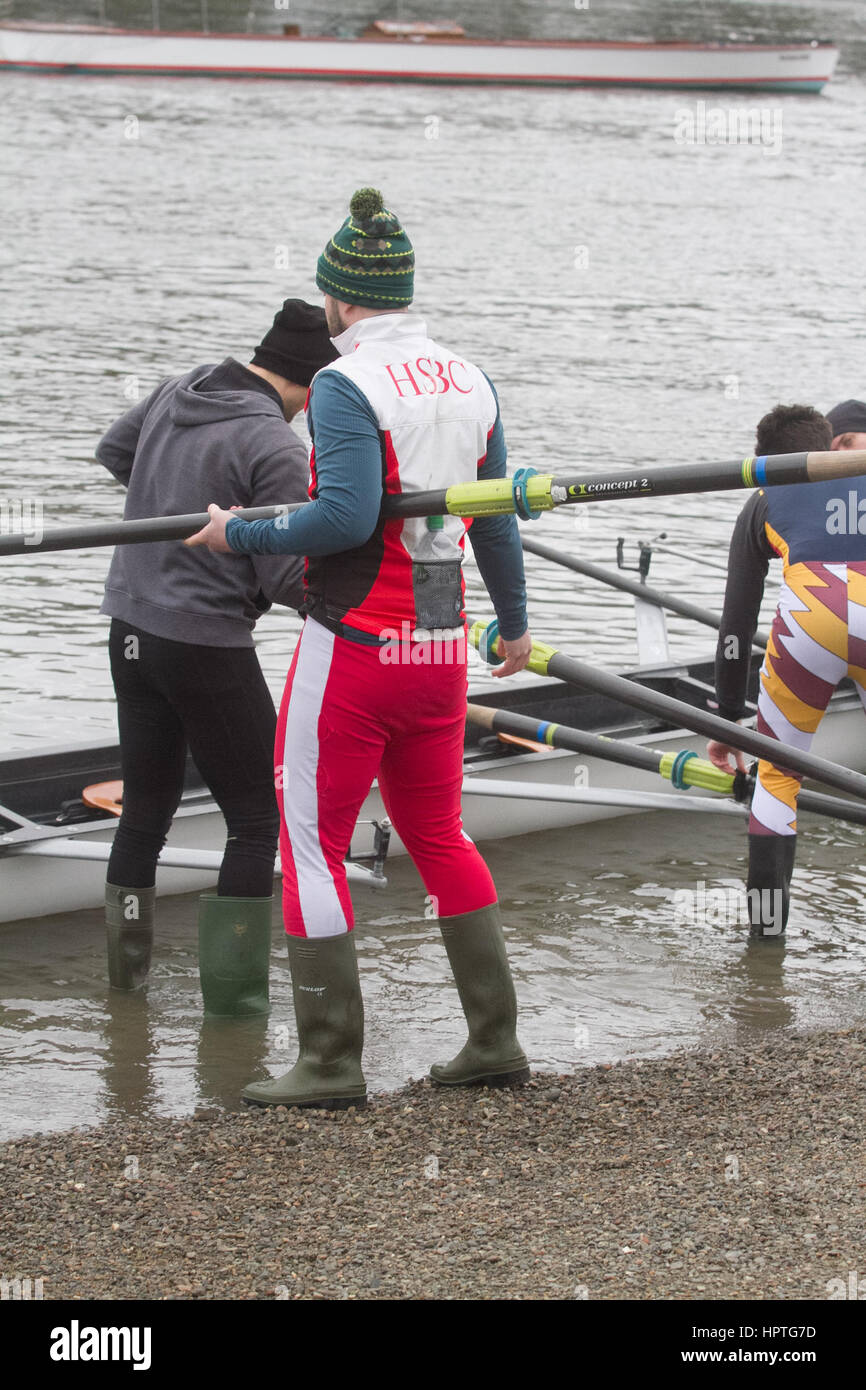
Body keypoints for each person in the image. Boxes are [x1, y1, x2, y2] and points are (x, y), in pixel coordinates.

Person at [187, 187, 533, 1109]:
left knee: (311, 845)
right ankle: (494, 1042)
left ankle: (331, 1062)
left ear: (339, 302)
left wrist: (238, 534)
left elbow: (342, 518)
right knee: (441, 835)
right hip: (439, 646)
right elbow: (493, 519)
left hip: (354, 648)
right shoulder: (471, 379)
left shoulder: (344, 383)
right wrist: (519, 621)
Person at [96, 300, 338, 1009]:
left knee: (145, 812)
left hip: (130, 630)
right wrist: (352, 604)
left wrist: (164, 504)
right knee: (258, 819)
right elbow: (284, 575)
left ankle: (126, 990)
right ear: (317, 385)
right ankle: (234, 1016)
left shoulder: (183, 385)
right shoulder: (277, 447)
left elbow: (115, 452)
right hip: (204, 644)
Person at [706, 402, 866, 936]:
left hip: (809, 625)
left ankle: (765, 948)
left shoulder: (764, 497)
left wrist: (728, 720)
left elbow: (734, 629)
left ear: (767, 463)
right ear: (828, 445)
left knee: (776, 780)